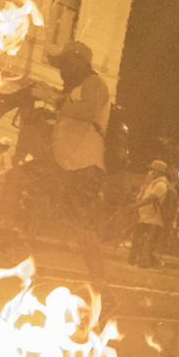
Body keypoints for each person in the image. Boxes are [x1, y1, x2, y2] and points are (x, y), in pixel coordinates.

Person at [41, 40, 112, 290]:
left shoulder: (93, 84)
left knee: (82, 227)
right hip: (67, 165)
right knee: (64, 220)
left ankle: (99, 282)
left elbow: (89, 111)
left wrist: (60, 104)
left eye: (65, 64)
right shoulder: (75, 89)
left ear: (78, 61)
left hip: (85, 167)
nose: (62, 70)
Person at [130, 159, 170, 268]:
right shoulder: (154, 183)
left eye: (153, 170)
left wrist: (134, 206)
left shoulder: (161, 185)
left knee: (147, 244)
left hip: (154, 220)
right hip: (145, 219)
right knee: (140, 242)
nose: (151, 172)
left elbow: (150, 200)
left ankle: (151, 264)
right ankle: (144, 263)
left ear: (158, 171)